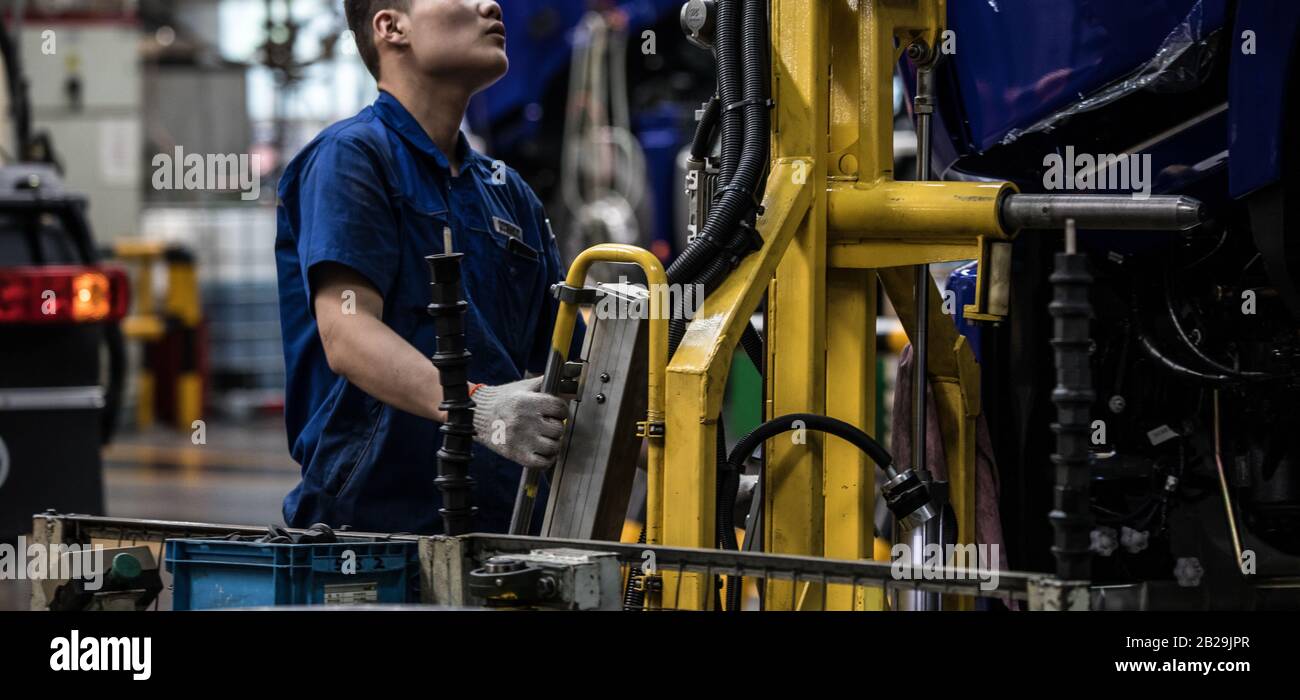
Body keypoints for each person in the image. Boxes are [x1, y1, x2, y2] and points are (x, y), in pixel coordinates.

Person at [275, 0, 574, 534]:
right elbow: (347, 332)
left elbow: (563, 369)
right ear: (391, 27)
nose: (491, 4)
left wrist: (699, 473)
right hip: (371, 535)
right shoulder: (353, 157)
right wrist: (477, 408)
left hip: (507, 528)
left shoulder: (508, 194)